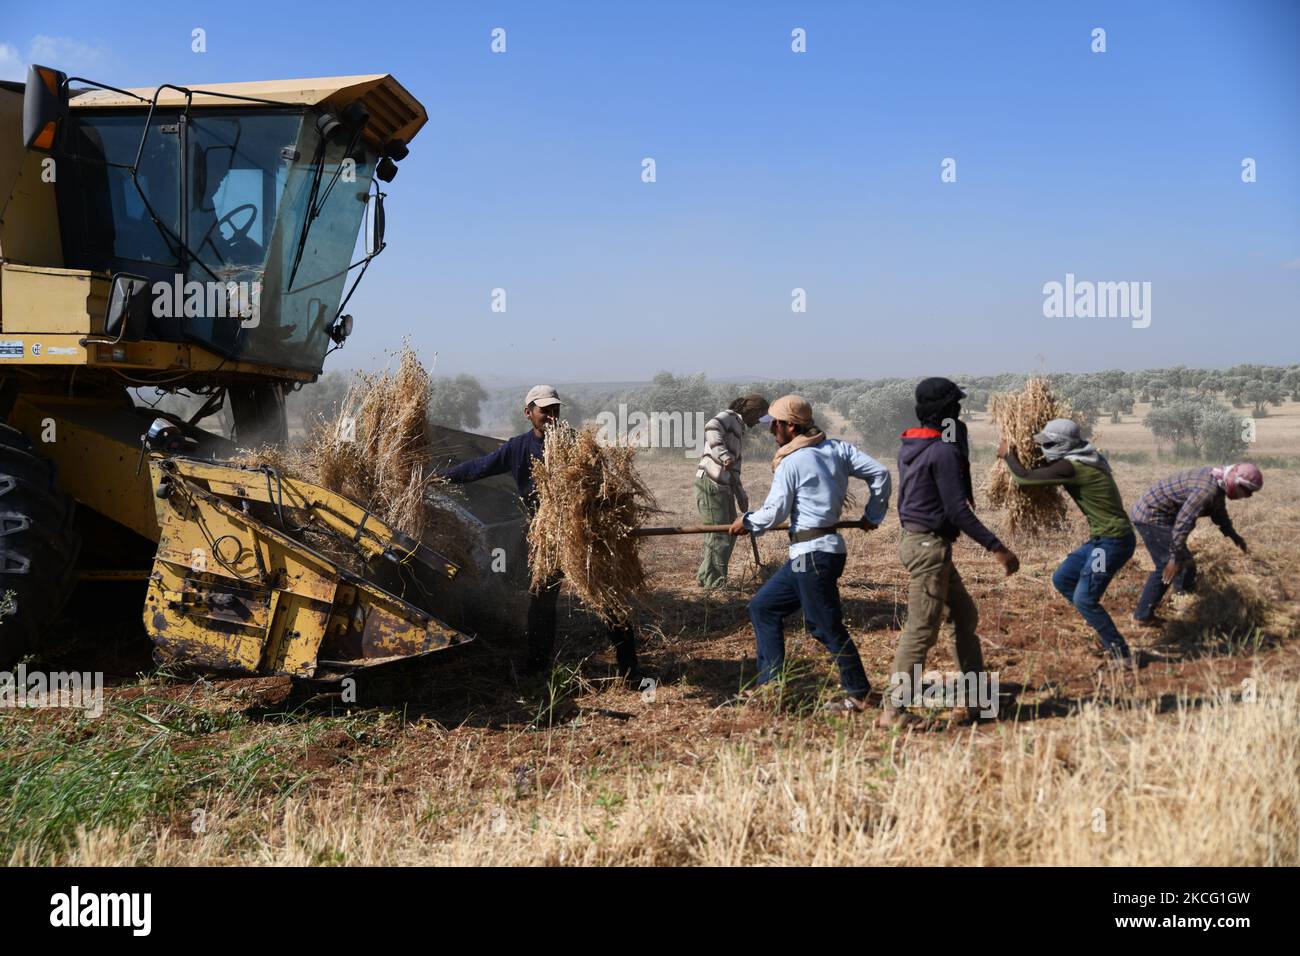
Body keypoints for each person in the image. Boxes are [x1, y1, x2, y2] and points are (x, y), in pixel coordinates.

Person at [439, 385, 641, 680]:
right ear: (528, 412)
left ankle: (631, 669)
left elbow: (603, 483)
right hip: (547, 537)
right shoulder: (517, 448)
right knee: (541, 603)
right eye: (544, 410)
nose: (550, 415)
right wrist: (440, 478)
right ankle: (536, 667)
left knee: (607, 598)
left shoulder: (577, 445)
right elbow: (478, 468)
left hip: (582, 535)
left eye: (555, 410)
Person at [728, 395, 891, 714]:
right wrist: (874, 514)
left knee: (825, 626)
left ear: (790, 426)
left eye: (775, 423)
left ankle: (859, 693)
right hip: (821, 552)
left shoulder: (792, 462)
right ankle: (770, 686)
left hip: (812, 556)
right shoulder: (838, 449)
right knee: (764, 607)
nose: (771, 429)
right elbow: (881, 473)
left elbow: (774, 512)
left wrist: (747, 522)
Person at [882, 377, 1019, 728]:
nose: (960, 411)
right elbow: (958, 510)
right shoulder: (942, 452)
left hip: (922, 543)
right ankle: (893, 712)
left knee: (964, 616)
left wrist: (957, 438)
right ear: (947, 410)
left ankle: (976, 703)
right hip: (929, 548)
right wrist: (997, 548)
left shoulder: (915, 445)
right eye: (955, 406)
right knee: (921, 629)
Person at [999, 418, 1136, 666]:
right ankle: (1105, 634)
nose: (1044, 448)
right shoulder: (1084, 458)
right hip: (1101, 541)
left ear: (1063, 444)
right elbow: (1047, 467)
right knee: (1062, 579)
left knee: (1085, 599)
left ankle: (1120, 652)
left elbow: (1025, 479)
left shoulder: (1072, 467)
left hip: (1112, 543)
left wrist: (1007, 455)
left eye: (1049, 444)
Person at [1129, 463, 1262, 625]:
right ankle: (1143, 616)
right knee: (1168, 564)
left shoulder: (1218, 480)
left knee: (1185, 563)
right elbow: (1183, 523)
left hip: (1163, 515)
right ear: (1235, 481)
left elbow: (1218, 512)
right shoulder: (1206, 491)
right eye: (1247, 491)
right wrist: (1174, 556)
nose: (1247, 496)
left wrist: (1233, 535)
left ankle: (1182, 600)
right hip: (1150, 515)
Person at [695, 394, 769, 589]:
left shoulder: (738, 428)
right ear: (752, 411)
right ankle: (715, 585)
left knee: (729, 533)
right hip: (711, 484)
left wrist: (741, 495)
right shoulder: (729, 417)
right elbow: (711, 427)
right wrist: (722, 453)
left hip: (724, 488)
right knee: (719, 536)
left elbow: (734, 470)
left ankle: (706, 576)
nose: (759, 422)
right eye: (760, 417)